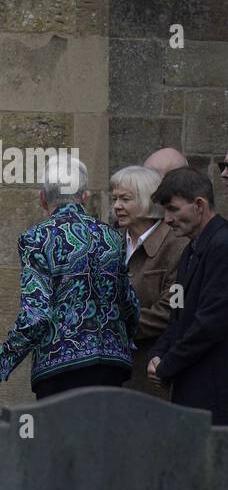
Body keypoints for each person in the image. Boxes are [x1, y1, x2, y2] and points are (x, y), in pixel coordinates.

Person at [0, 156, 139, 401]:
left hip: (61, 370)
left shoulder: (37, 239)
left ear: (43, 198)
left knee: (61, 440)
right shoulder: (112, 237)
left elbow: (35, 315)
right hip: (112, 366)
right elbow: (129, 304)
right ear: (85, 196)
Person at [147, 167, 228, 424]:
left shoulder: (222, 245)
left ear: (199, 205)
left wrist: (167, 365)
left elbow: (210, 323)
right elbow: (177, 313)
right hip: (191, 387)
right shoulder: (189, 252)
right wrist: (158, 354)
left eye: (173, 209)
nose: (167, 219)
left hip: (214, 391)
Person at [109, 165, 187, 398]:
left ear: (147, 201)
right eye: (115, 198)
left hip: (149, 371)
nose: (117, 206)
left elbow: (170, 309)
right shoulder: (111, 240)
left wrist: (111, 325)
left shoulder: (177, 245)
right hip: (110, 370)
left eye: (125, 199)